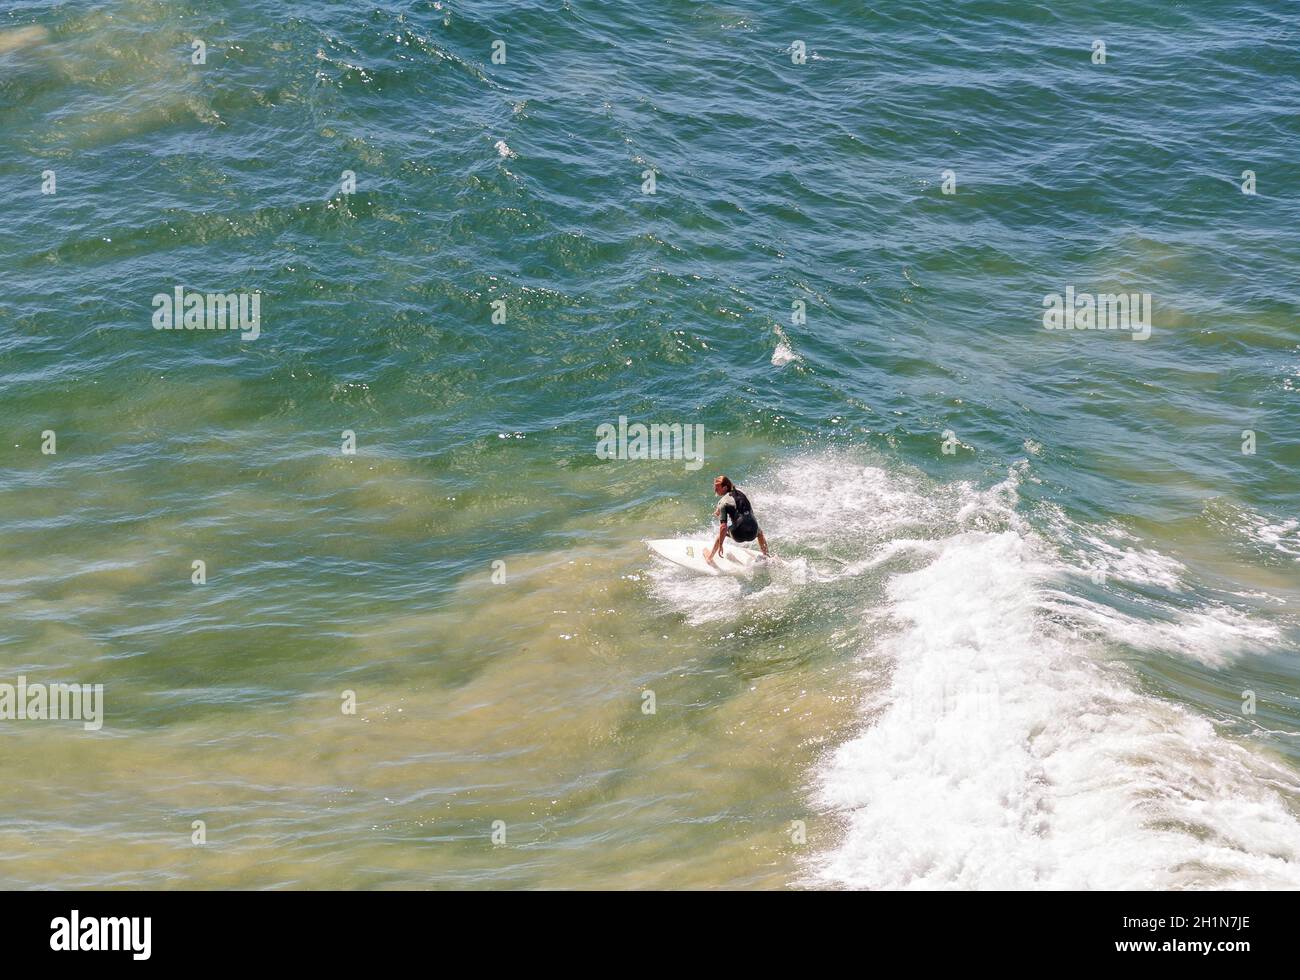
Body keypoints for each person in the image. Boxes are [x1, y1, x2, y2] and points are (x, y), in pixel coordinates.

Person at [705, 475, 769, 564]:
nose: (715, 491)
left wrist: (720, 545)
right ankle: (766, 556)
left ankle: (710, 557)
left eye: (717, 488)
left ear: (725, 487)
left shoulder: (723, 502)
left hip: (738, 534)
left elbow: (723, 527)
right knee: (760, 533)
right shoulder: (741, 493)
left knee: (721, 533)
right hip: (753, 532)